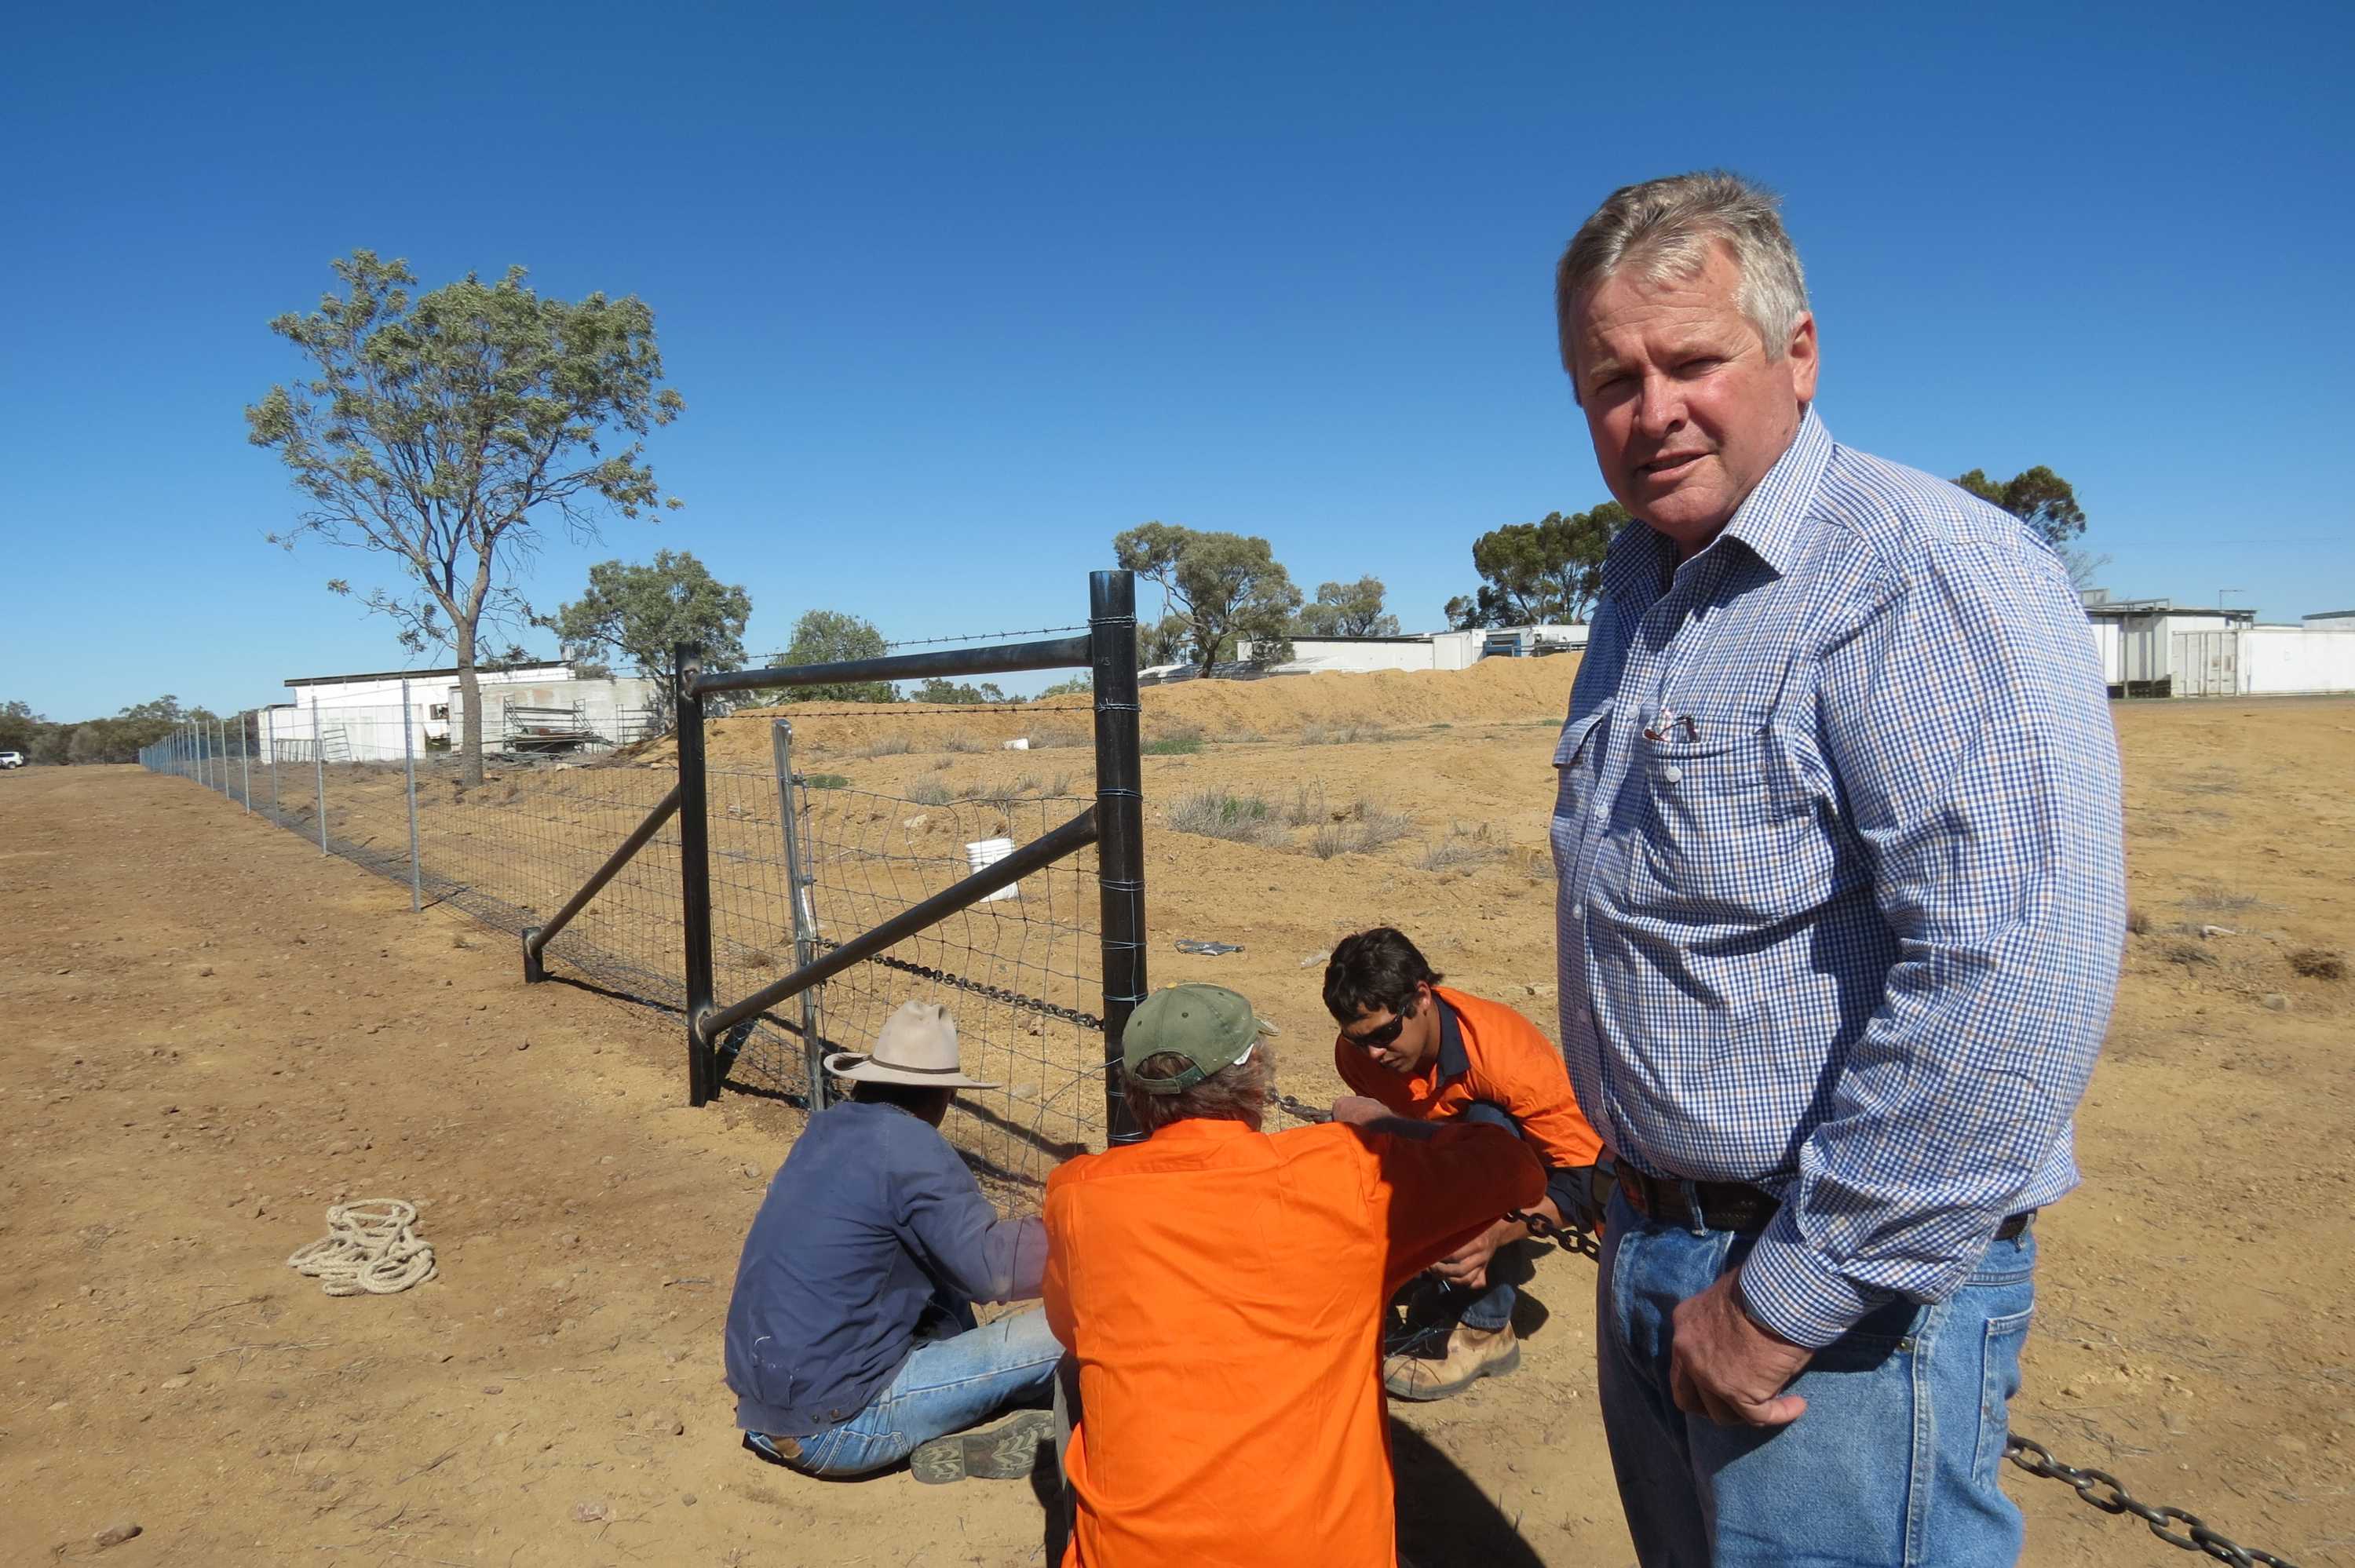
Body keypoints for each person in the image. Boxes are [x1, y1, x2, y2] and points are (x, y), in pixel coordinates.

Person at [1548, 170, 2125, 1565]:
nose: (1651, 409)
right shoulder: (1645, 588)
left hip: (1837, 1301)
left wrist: (1784, 1298)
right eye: (1609, 379)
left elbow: (2015, 981)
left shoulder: (1920, 573)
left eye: (1693, 359)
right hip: (1655, 1239)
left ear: (1796, 355)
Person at [1042, 983, 1543, 1566]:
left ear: (1134, 1095)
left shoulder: (1077, 1196)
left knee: (1074, 1373)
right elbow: (1515, 1169)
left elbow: (1069, 1325)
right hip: (1318, 1550)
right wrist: (1384, 1127)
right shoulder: (1342, 1172)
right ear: (1255, 1076)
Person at [724, 1000, 1061, 1484]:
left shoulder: (826, 1131)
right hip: (842, 1427)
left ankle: (972, 1391)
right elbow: (992, 1269)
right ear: (943, 1094)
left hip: (765, 1411)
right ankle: (998, 1400)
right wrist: (1082, 1227)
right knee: (1078, 1326)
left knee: (926, 1263)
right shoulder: (911, 1147)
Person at [1323, 926, 1605, 1400]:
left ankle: (1485, 1327)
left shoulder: (1509, 1059)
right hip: (1441, 1156)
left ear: (1422, 996)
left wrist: (1496, 1233)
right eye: (1359, 1040)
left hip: (1517, 1169)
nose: (1374, 1053)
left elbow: (1586, 1180)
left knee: (1490, 1124)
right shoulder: (1360, 1057)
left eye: (1387, 1033)